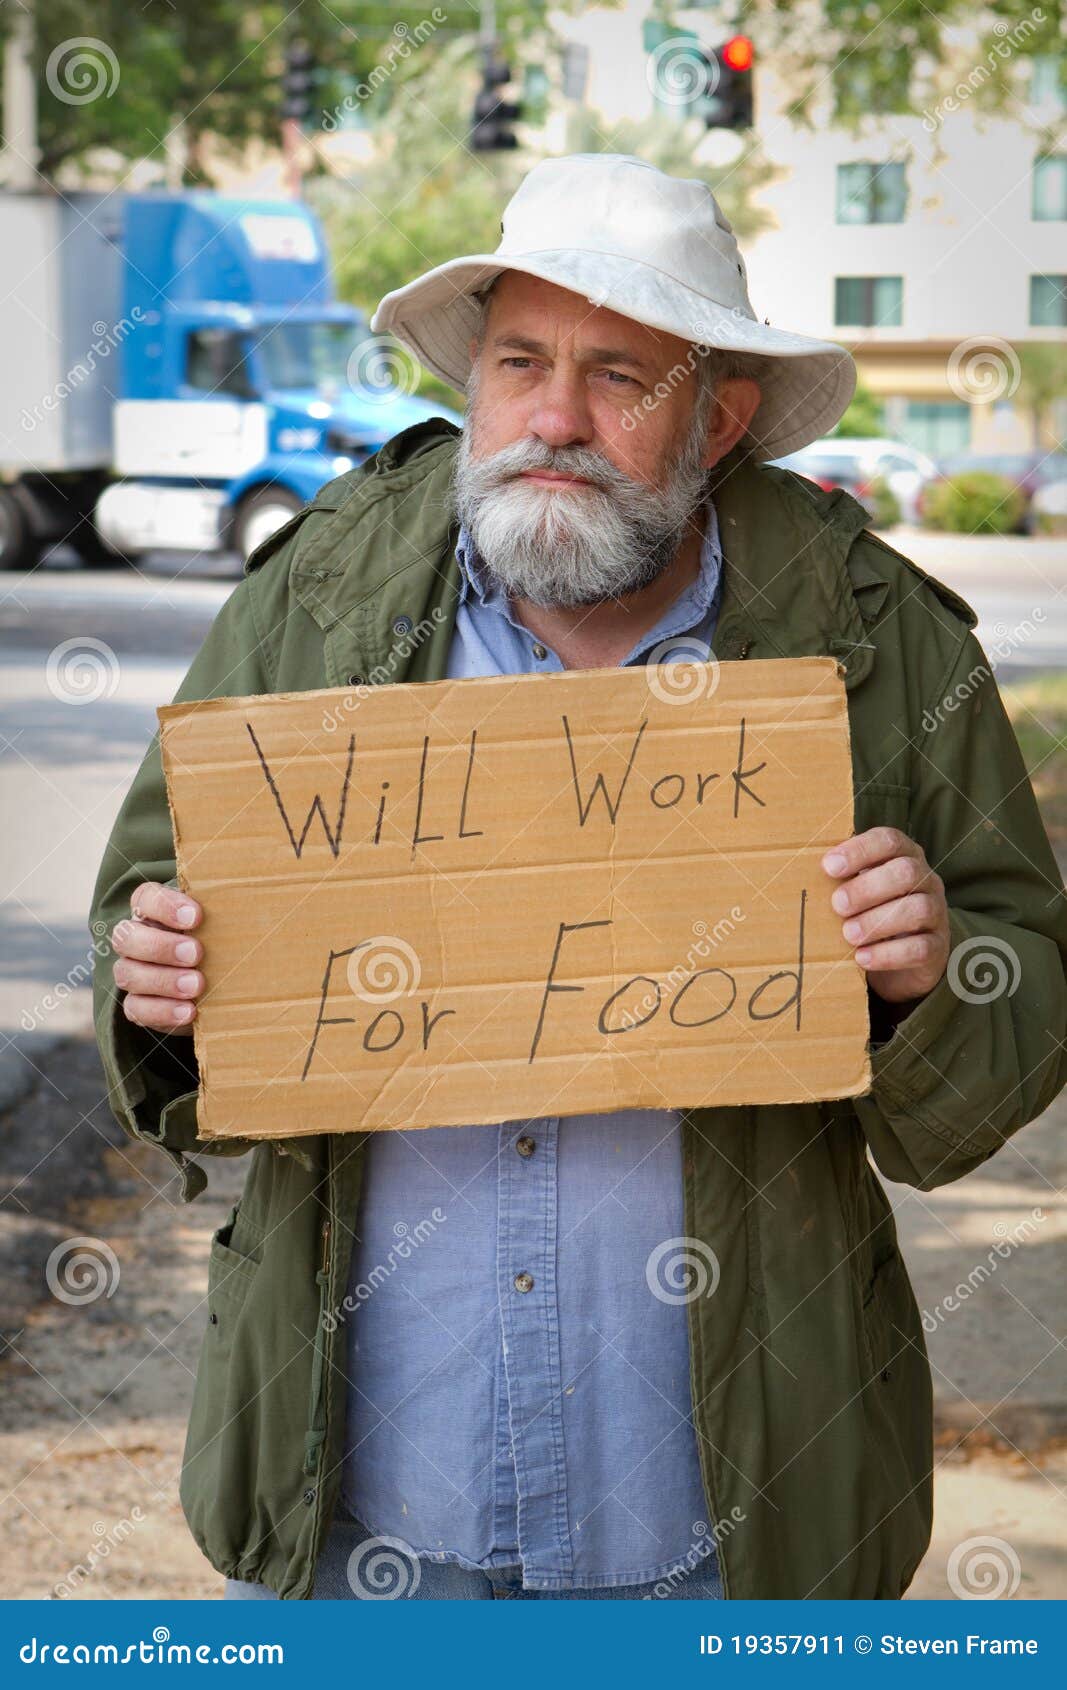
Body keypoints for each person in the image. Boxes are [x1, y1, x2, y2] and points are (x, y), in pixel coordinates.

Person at [89, 153, 1067, 1601]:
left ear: (721, 417)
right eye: (521, 361)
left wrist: (930, 975)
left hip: (728, 1523)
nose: (555, 418)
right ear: (472, 382)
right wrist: (159, 984)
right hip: (363, 1517)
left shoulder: (879, 638)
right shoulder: (317, 597)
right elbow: (148, 910)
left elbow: (1024, 983)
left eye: (621, 375)